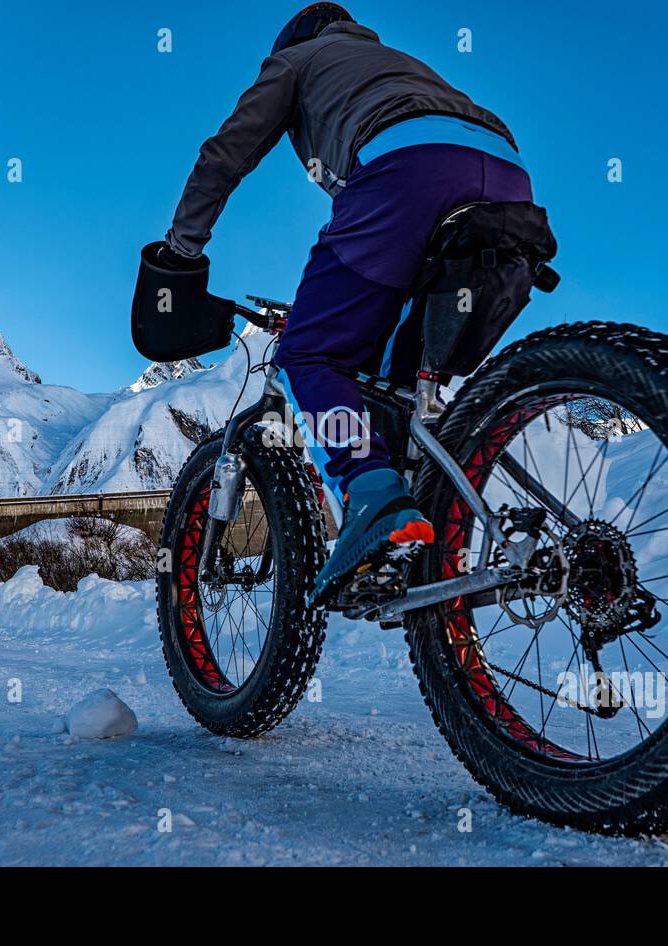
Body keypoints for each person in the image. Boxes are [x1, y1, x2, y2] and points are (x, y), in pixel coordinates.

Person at [158, 3, 536, 604]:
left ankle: (375, 497)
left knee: (308, 354)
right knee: (400, 382)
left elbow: (224, 154)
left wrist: (181, 249)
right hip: (508, 174)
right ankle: (431, 538)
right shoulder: (398, 63)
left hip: (407, 171)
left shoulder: (297, 60)